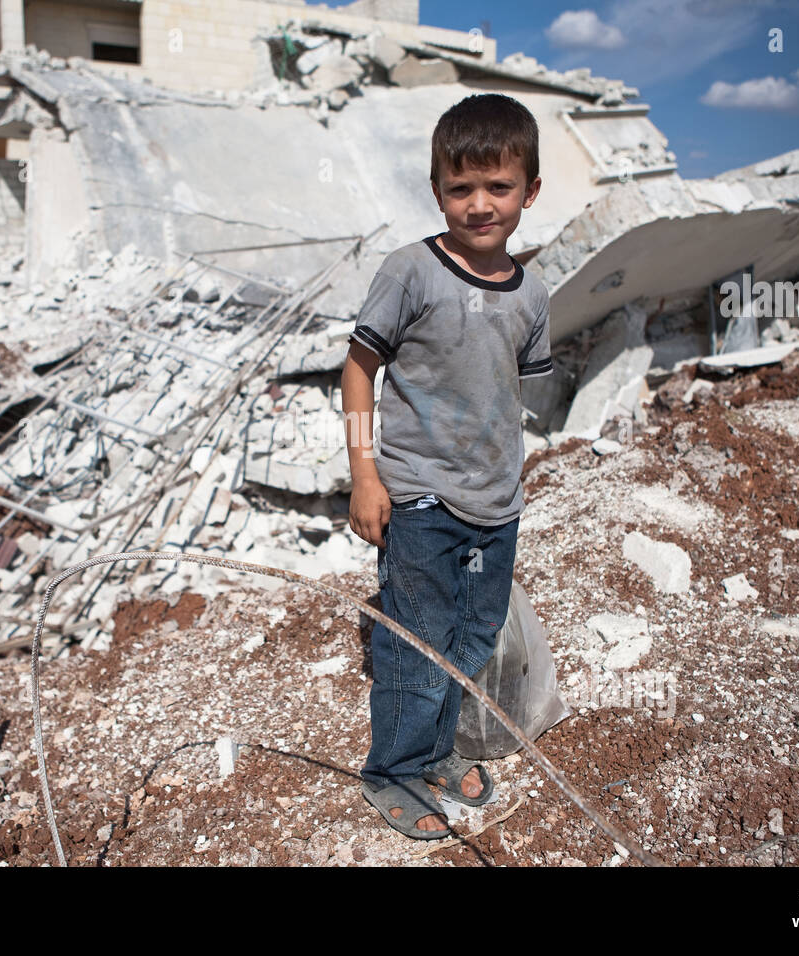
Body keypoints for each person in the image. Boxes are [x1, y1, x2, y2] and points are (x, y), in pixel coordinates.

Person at [340, 92, 553, 839]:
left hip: (497, 503)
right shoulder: (412, 272)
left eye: (498, 187)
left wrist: (508, 477)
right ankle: (393, 769)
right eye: (461, 188)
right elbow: (359, 368)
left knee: (473, 635)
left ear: (529, 191)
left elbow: (502, 392)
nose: (480, 204)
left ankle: (436, 751)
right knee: (417, 640)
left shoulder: (531, 293)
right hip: (421, 496)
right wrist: (366, 474)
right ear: (437, 191)